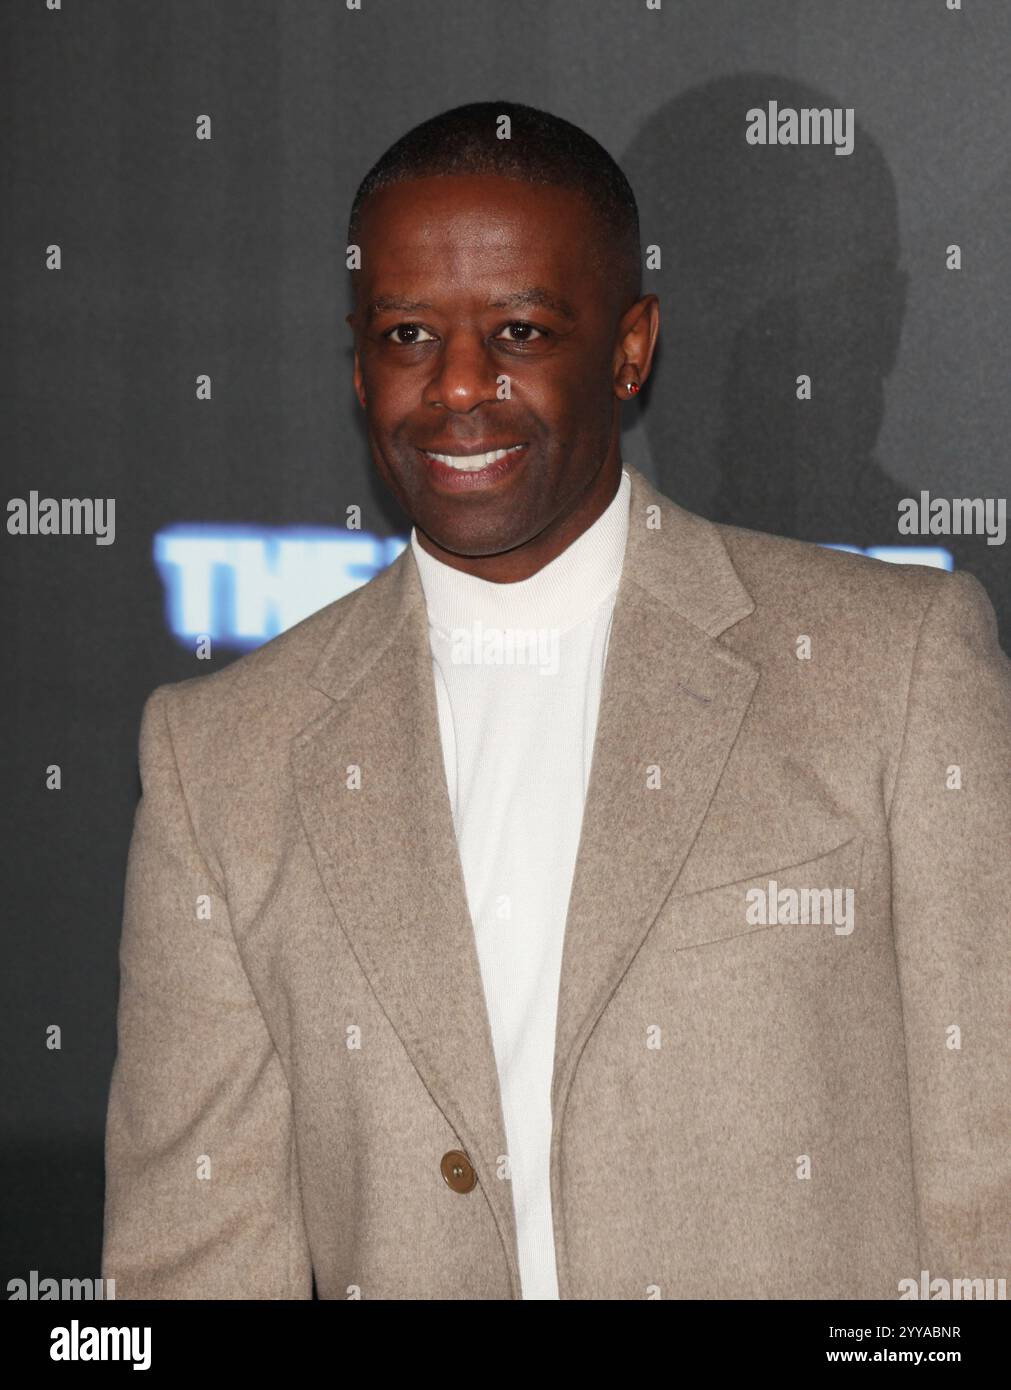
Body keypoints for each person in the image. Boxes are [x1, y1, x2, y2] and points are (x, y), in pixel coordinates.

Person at [102, 101, 1010, 1300]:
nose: (458, 387)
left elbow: (988, 1199)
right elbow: (186, 1267)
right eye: (409, 332)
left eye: (521, 330)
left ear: (630, 348)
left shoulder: (890, 667)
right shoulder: (218, 756)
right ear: (358, 355)